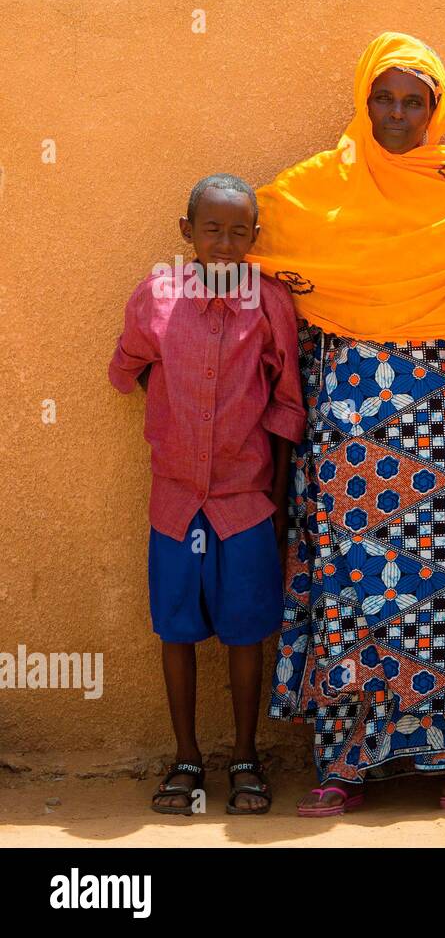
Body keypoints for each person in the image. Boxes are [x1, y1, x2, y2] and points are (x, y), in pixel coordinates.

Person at [247, 32, 445, 818]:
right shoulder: (319, 187)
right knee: (352, 583)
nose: (399, 114)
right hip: (352, 424)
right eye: (385, 98)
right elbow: (248, 235)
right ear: (362, 100)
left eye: (416, 101)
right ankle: (346, 764)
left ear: (437, 108)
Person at [109, 173, 306, 815]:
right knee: (177, 629)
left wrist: (275, 499)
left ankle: (245, 755)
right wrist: (177, 417)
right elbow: (128, 369)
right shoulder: (157, 296)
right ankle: (186, 756)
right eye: (212, 229)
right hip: (174, 502)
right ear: (186, 232)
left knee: (246, 632)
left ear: (255, 236)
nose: (225, 242)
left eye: (239, 231)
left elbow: (284, 405)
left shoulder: (269, 302)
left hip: (246, 503)